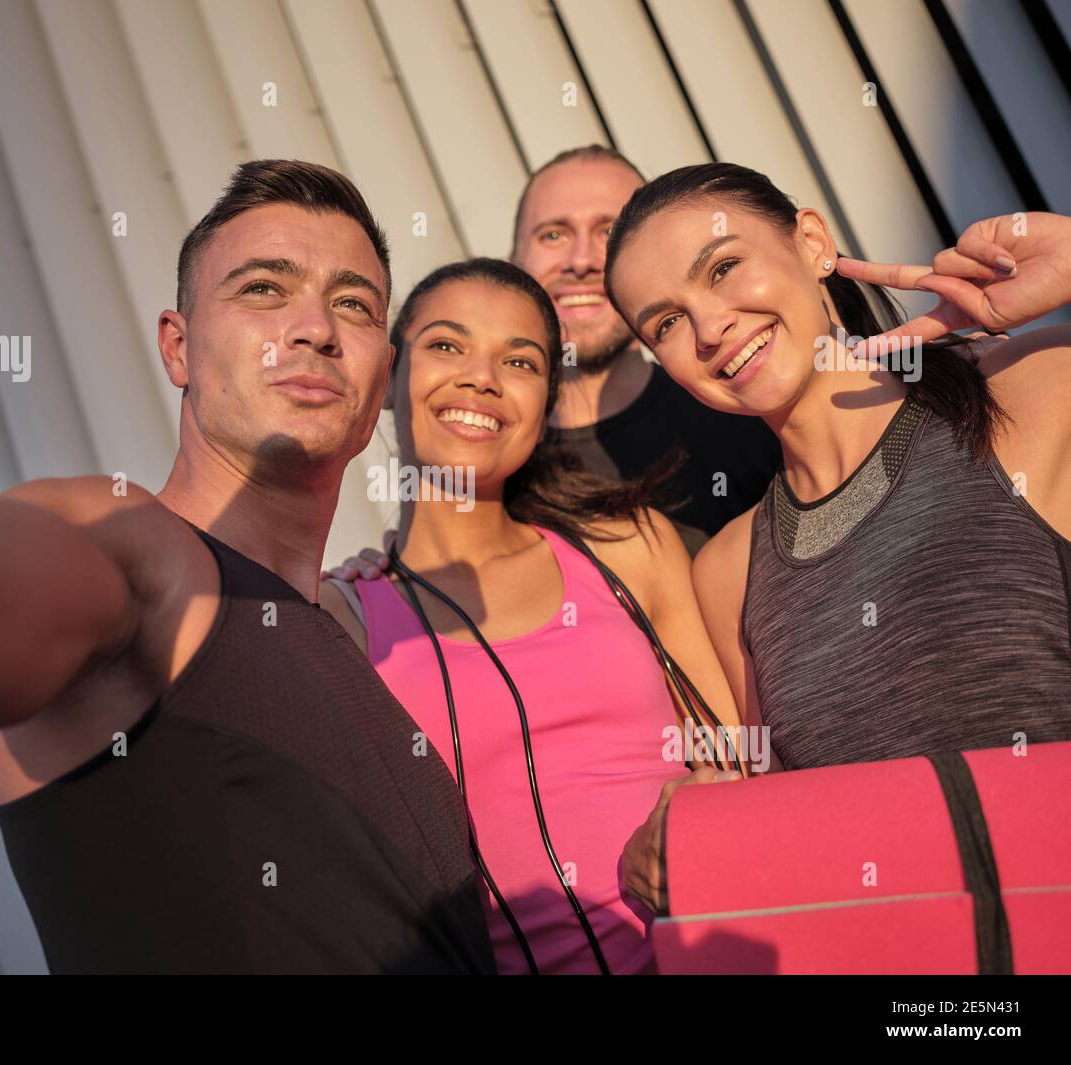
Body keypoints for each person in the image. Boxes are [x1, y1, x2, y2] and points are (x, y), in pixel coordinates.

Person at [0, 5, 494, 974]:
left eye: (354, 305)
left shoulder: (345, 640)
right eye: (263, 289)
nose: (315, 327)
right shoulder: (135, 553)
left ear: (381, 377)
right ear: (178, 346)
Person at [320, 258, 747, 973]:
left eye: (518, 360)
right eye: (447, 346)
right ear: (390, 379)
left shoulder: (629, 545)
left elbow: (734, 756)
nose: (480, 377)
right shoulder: (339, 617)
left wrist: (699, 822)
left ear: (547, 403)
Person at [602, 162, 1071, 775]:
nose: (710, 329)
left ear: (813, 243)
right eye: (666, 323)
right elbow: (786, 822)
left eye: (723, 268)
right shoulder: (727, 575)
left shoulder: (1028, 388)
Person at [512, 146, 783, 547]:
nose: (582, 260)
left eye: (609, 232)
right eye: (553, 234)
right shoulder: (492, 461)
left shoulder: (748, 404)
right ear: (513, 260)